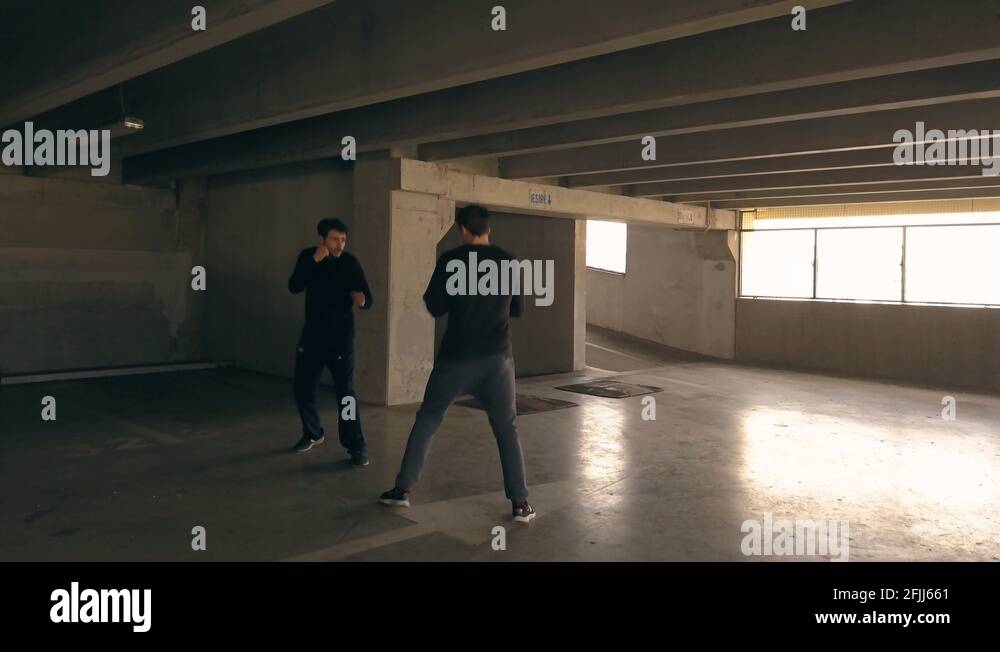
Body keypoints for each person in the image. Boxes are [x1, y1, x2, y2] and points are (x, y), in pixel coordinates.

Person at [379, 204, 535, 523]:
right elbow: (518, 310)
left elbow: (435, 307)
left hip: (456, 359)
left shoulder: (451, 261)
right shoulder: (507, 261)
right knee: (506, 428)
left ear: (463, 229)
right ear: (487, 228)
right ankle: (520, 504)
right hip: (497, 360)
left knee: (428, 420)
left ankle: (402, 491)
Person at [288, 217, 373, 466]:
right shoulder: (308, 257)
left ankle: (356, 446)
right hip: (312, 338)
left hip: (340, 341)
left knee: (346, 395)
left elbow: (368, 296)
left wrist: (363, 300)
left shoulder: (350, 263)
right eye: (335, 239)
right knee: (302, 388)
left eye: (343, 239)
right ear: (321, 239)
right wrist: (315, 258)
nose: (340, 244)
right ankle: (313, 433)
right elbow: (294, 285)